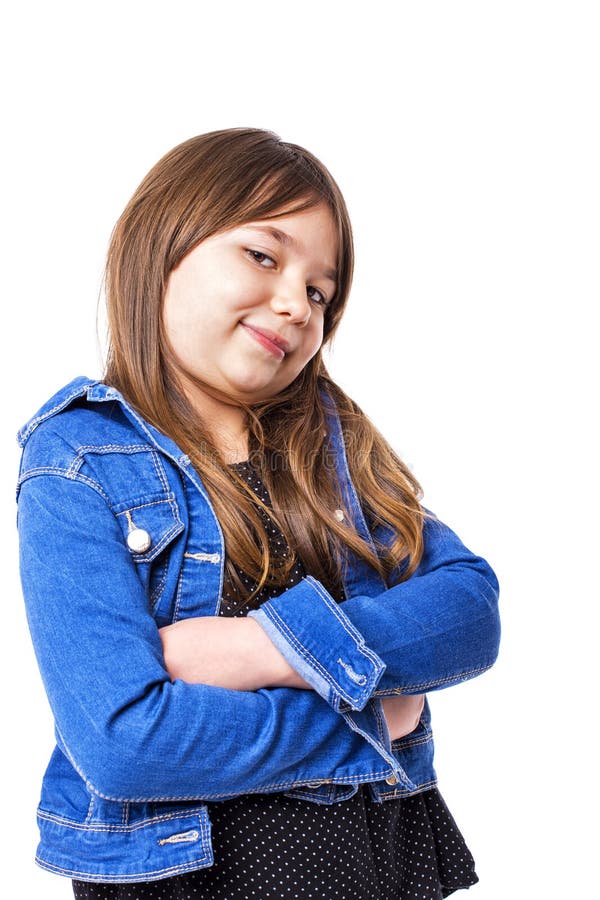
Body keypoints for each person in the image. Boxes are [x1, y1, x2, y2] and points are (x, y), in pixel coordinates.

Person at [17, 128, 500, 899]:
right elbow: (123, 744)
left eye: (320, 291)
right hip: (189, 877)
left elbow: (468, 611)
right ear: (162, 245)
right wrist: (367, 721)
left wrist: (262, 649)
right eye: (265, 257)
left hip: (374, 865)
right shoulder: (78, 460)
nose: (296, 304)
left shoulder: (329, 448)